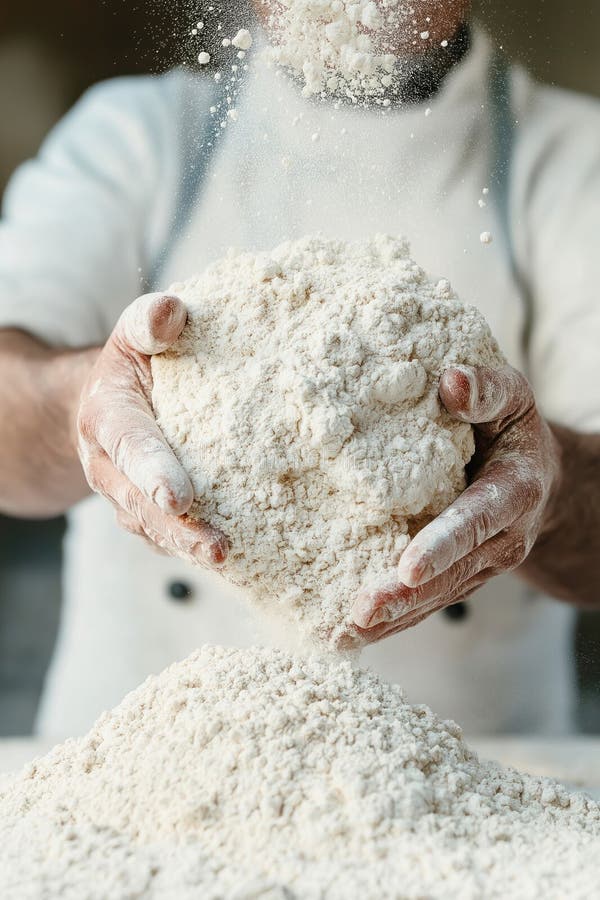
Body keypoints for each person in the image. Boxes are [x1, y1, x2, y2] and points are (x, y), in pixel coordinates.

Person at [0, 0, 598, 739]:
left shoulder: (576, 160)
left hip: (462, 783)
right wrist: (79, 407)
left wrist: (554, 484)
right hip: (136, 764)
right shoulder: (137, 136)